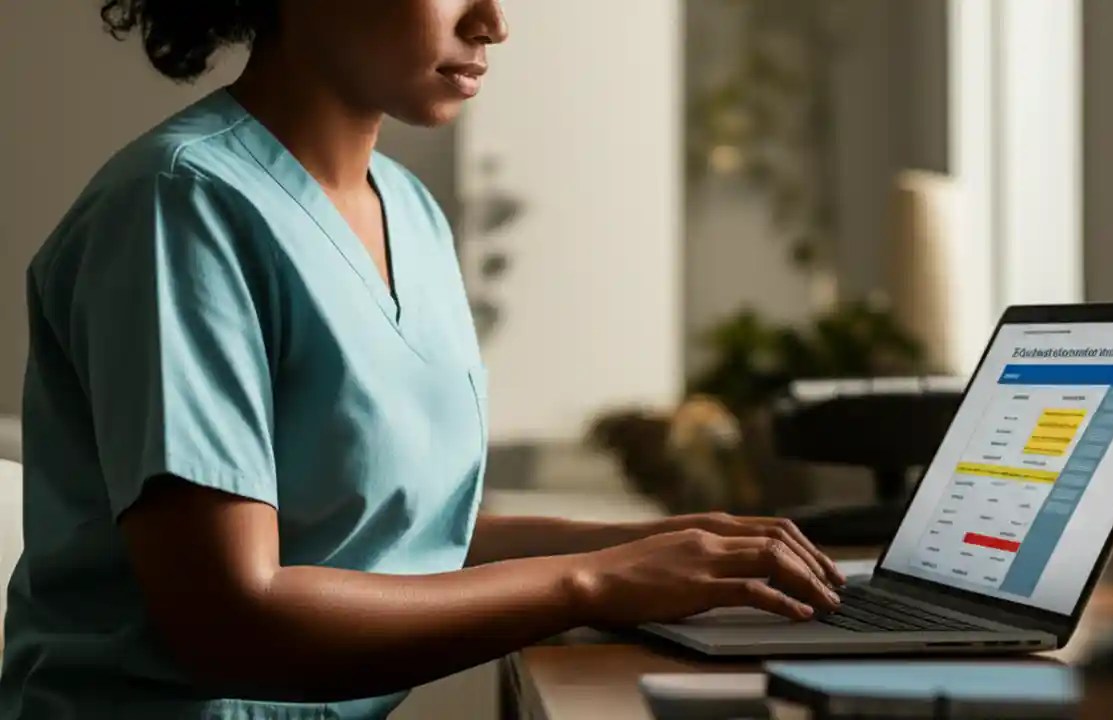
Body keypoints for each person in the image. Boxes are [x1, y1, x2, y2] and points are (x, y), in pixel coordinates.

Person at [0, 2, 845, 718]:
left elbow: (398, 535)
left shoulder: (407, 209)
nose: (493, 23)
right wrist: (593, 581)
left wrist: (667, 546)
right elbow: (231, 622)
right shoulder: (180, 205)